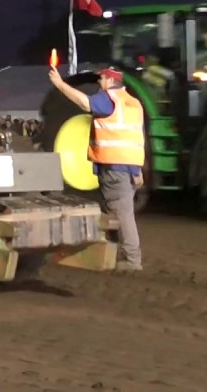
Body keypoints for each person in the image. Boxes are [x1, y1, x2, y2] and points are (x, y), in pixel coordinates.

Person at [48, 65, 144, 272]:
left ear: (110, 81)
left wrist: (60, 84)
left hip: (114, 168)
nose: (99, 83)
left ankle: (131, 260)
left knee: (122, 214)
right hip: (129, 167)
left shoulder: (109, 99)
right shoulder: (133, 103)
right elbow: (135, 138)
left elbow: (84, 103)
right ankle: (120, 255)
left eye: (101, 79)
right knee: (122, 212)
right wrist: (137, 171)